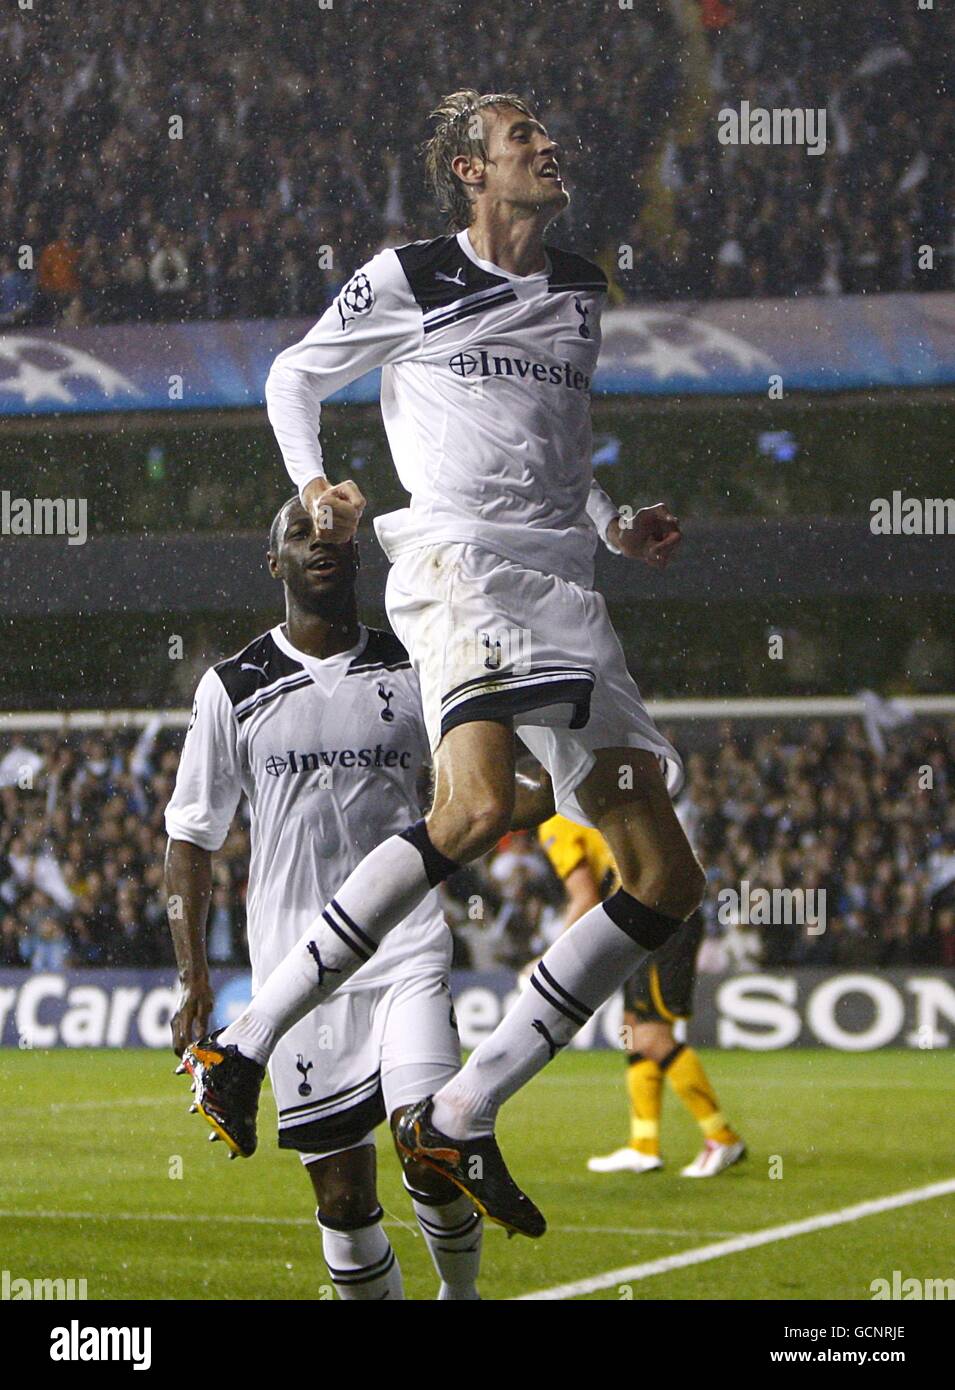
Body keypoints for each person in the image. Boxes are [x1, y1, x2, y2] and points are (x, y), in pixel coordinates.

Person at [182, 89, 703, 1239]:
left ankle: (462, 1106)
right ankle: (248, 1037)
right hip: (463, 566)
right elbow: (291, 376)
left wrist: (615, 523)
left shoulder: (577, 285)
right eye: (523, 137)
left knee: (667, 877)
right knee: (473, 810)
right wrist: (314, 482)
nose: (548, 143)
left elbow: (556, 454)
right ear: (471, 170)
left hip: (570, 580)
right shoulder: (407, 275)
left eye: (546, 132)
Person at [168, 499, 493, 1299]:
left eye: (335, 533)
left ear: (357, 558)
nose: (321, 540)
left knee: (431, 1156)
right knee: (345, 1201)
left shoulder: (414, 664)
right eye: (299, 533)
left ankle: (463, 1294)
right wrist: (193, 980)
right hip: (296, 970)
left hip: (405, 949)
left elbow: (477, 789)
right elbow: (190, 840)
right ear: (272, 562)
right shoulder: (232, 687)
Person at [538, 813, 745, 1178]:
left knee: (650, 1035)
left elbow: (584, 897)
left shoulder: (558, 821)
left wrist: (549, 960)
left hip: (657, 912)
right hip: (651, 907)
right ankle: (644, 1145)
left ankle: (721, 1137)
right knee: (633, 1029)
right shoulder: (589, 796)